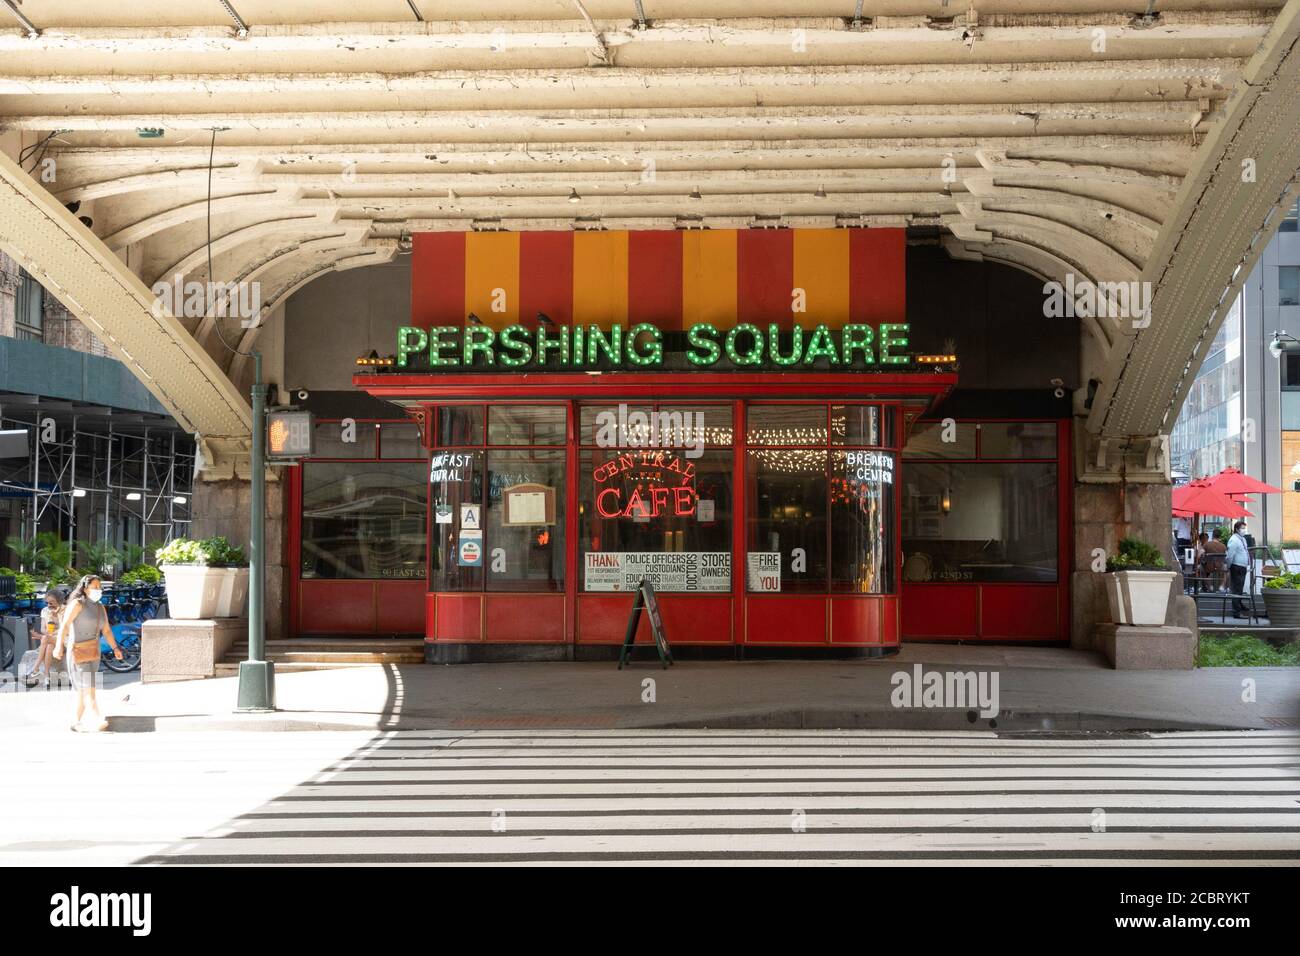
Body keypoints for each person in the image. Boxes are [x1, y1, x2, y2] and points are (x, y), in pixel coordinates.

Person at [51, 575, 122, 733]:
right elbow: (65, 626)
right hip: (77, 652)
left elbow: (107, 630)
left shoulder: (100, 607)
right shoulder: (77, 604)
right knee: (89, 688)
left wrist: (115, 648)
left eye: (100, 587)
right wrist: (58, 647)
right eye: (95, 587)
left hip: (93, 652)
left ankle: (75, 721)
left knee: (84, 689)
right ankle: (97, 718)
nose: (98, 590)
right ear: (85, 588)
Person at [25, 587, 65, 689]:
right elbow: (43, 629)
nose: (49, 605)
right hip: (50, 639)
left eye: (52, 603)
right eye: (47, 603)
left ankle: (36, 668)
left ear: (59, 601)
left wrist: (55, 617)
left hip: (64, 638)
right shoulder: (45, 611)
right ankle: (47, 676)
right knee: (49, 645)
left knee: (46, 639)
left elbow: (64, 629)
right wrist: (46, 633)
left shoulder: (65, 610)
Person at [1225, 521, 1251, 617]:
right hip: (1236, 566)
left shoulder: (1242, 539)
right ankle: (1236, 611)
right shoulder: (1234, 540)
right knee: (1237, 589)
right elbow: (1230, 555)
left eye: (1244, 528)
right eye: (1242, 528)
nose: (1244, 530)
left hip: (1242, 566)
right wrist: (1228, 566)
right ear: (1237, 529)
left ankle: (1239, 604)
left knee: (1239, 588)